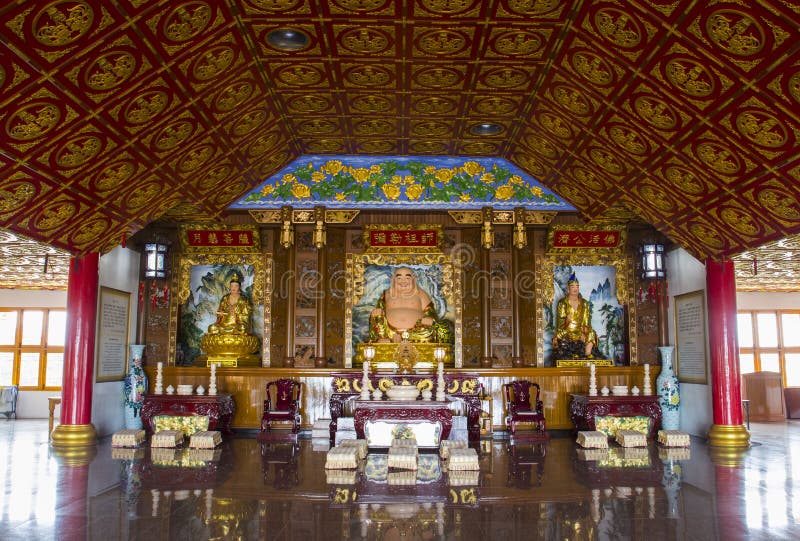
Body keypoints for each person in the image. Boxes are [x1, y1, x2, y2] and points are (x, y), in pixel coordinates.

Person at [369, 267, 453, 343]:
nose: (403, 281)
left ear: (414, 279)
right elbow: (380, 310)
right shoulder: (386, 294)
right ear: (393, 279)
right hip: (389, 332)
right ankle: (383, 338)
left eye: (407, 278)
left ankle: (403, 339)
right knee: (376, 317)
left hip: (416, 333)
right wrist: (377, 312)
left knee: (428, 332)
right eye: (399, 278)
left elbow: (430, 311)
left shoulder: (421, 294)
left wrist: (429, 318)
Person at [553, 273, 598, 358]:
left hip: (580, 329)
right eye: (573, 287)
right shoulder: (563, 303)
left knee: (592, 333)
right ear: (568, 288)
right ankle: (572, 353)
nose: (575, 289)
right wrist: (567, 321)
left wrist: (585, 329)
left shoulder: (584, 303)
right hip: (567, 329)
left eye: (577, 287)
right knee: (563, 335)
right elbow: (560, 323)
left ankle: (587, 354)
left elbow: (586, 320)